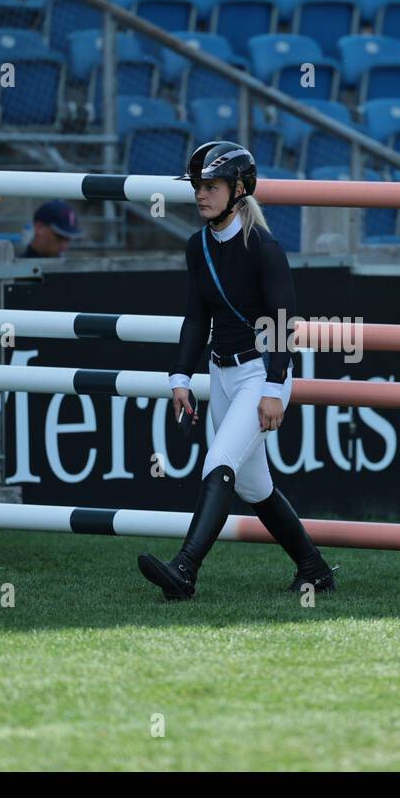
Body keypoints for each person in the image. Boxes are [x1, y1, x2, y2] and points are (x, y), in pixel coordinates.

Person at [136, 140, 336, 600]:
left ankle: (185, 570)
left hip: (262, 374)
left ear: (240, 189)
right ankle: (315, 567)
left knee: (219, 463)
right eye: (197, 187)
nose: (201, 195)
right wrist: (180, 377)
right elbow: (196, 316)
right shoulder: (197, 246)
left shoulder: (264, 248)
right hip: (221, 375)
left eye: (211, 186)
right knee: (254, 485)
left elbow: (285, 324)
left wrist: (273, 388)